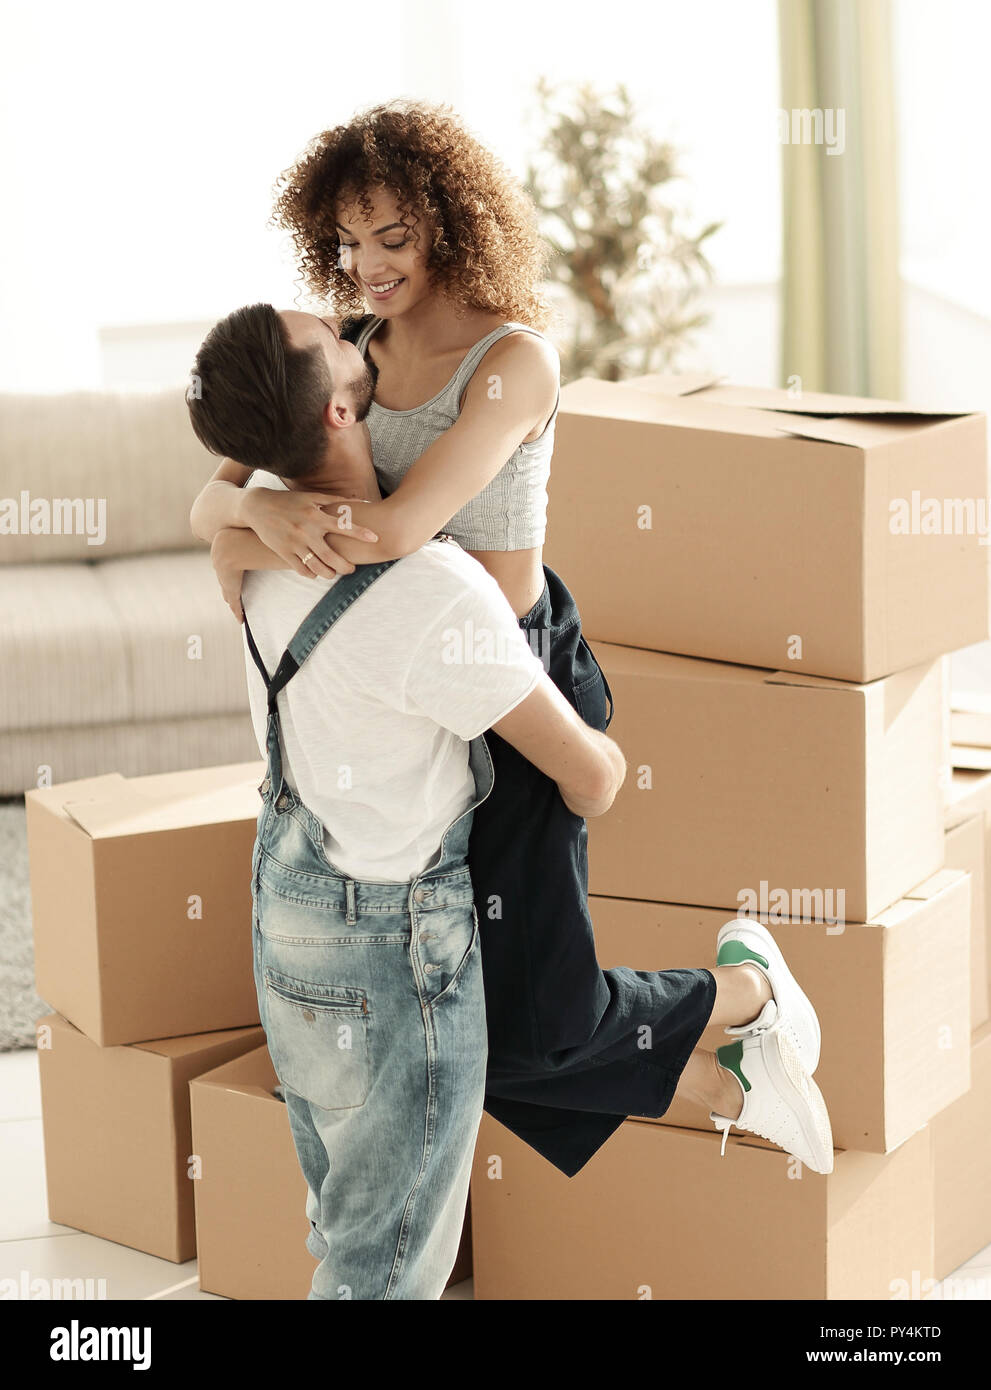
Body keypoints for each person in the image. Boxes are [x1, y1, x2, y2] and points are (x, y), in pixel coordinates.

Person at [189, 102, 833, 1193]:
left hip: (511, 670)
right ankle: (727, 1087)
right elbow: (212, 490)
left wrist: (262, 516)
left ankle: (745, 990)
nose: (369, 267)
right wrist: (246, 511)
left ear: (450, 223)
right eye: (348, 244)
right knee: (457, 1014)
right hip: (409, 674)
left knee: (532, 1022)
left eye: (393, 238)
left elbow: (396, 530)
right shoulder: (352, 346)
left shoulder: (511, 360)